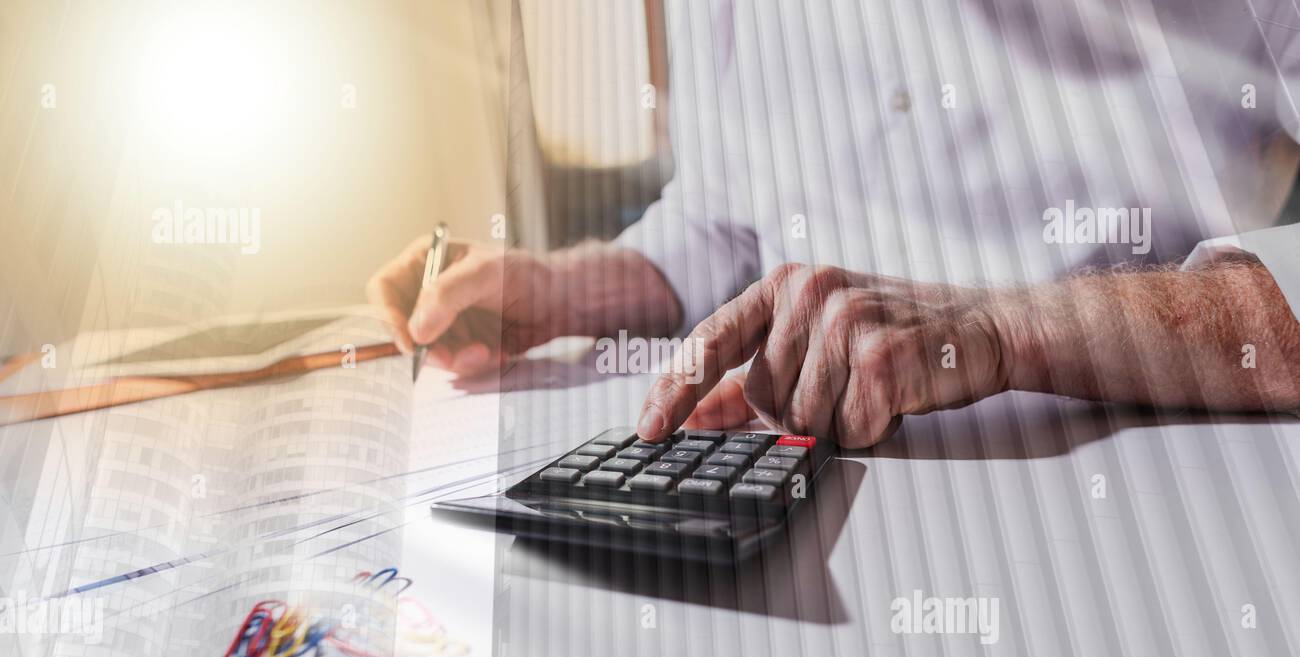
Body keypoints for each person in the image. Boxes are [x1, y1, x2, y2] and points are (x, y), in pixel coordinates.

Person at [368, 0, 1300, 449]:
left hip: (1131, 485)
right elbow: (731, 207)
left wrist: (1008, 333)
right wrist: (579, 286)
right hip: (794, 465)